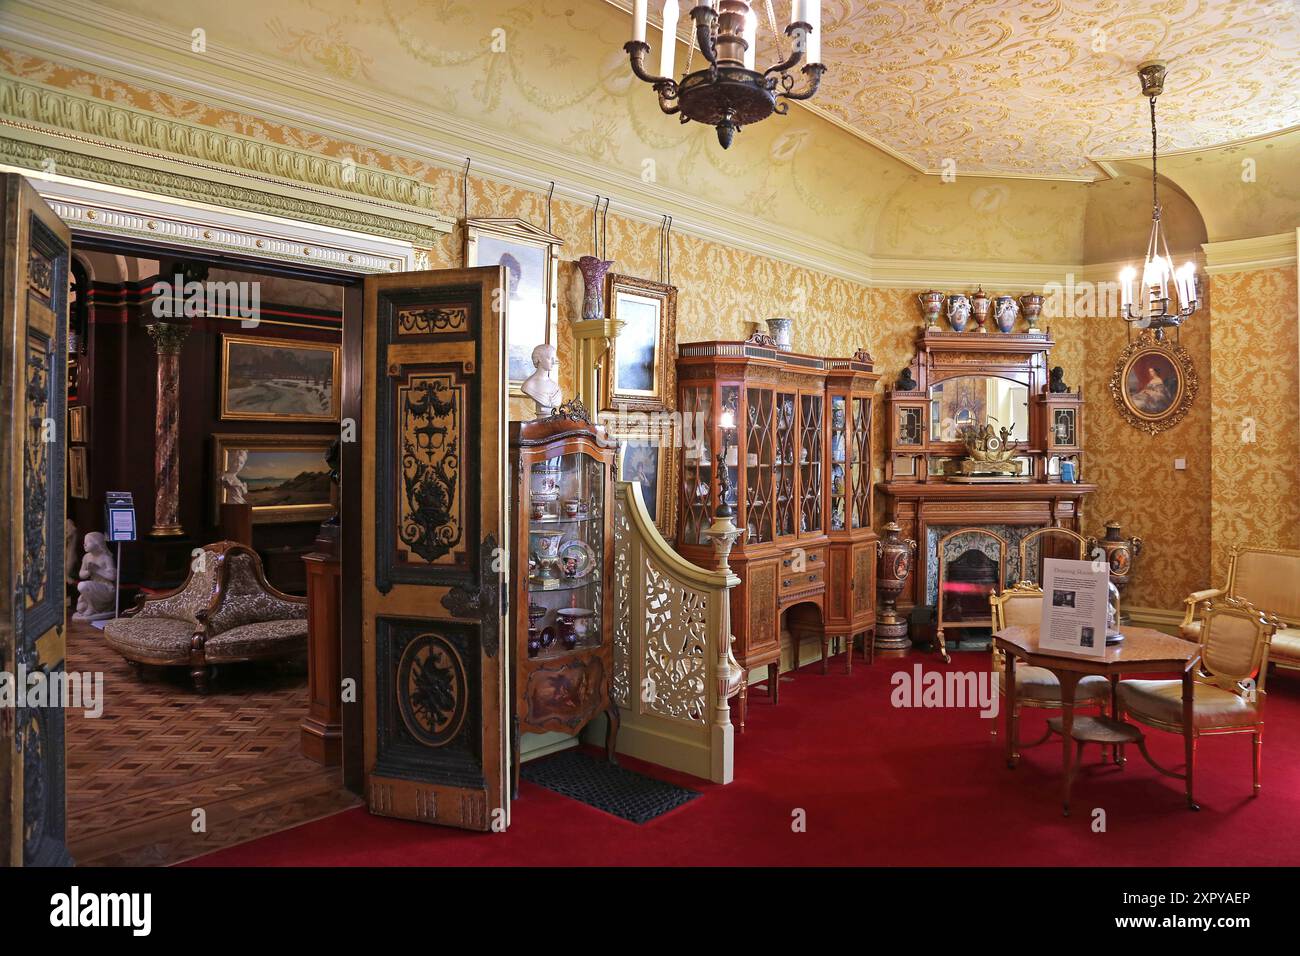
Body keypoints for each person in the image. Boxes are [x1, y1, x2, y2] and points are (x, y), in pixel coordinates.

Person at [73, 531, 117, 621]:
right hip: (93, 586)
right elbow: (81, 575)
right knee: (80, 608)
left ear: (98, 543)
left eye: (88, 542)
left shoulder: (106, 558)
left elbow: (113, 577)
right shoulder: (86, 557)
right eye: (84, 542)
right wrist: (89, 571)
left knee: (82, 586)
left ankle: (91, 607)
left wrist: (98, 570)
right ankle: (92, 606)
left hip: (106, 588)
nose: (84, 544)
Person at [521, 343, 562, 415]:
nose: (553, 362)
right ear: (539, 359)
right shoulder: (528, 385)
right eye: (550, 358)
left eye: (554, 358)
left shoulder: (555, 386)